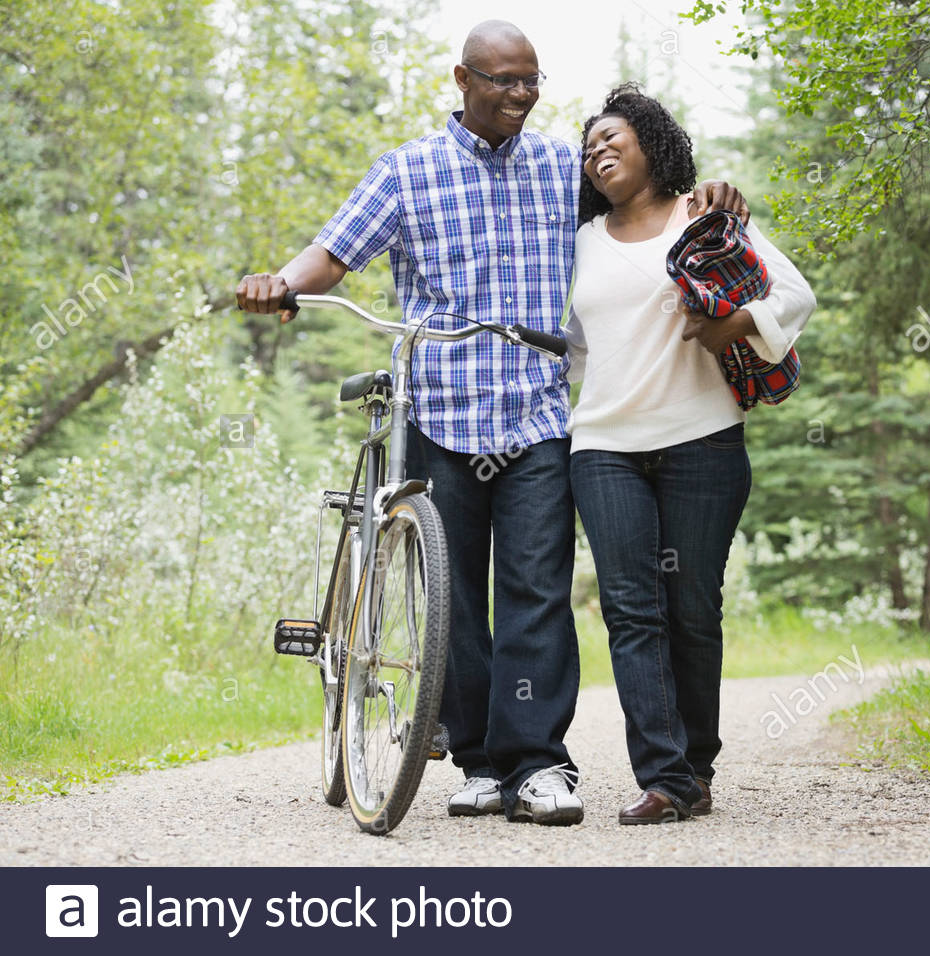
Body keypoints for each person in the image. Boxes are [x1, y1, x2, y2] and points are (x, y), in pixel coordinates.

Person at [236, 23, 748, 826]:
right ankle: (478, 761)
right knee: (454, 595)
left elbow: (643, 196)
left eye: (531, 82)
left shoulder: (558, 167)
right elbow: (331, 254)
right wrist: (282, 283)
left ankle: (539, 762)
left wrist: (708, 194)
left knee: (537, 590)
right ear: (462, 79)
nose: (520, 95)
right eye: (503, 81)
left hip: (539, 414)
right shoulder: (406, 173)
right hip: (439, 411)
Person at [565, 85, 815, 823]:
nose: (599, 152)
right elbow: (580, 348)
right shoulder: (579, 242)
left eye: (613, 139)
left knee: (692, 610)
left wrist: (737, 322)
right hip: (604, 445)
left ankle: (696, 764)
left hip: (702, 442)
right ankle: (664, 778)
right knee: (631, 611)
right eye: (588, 149)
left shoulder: (702, 215)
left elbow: (795, 294)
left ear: (652, 142)